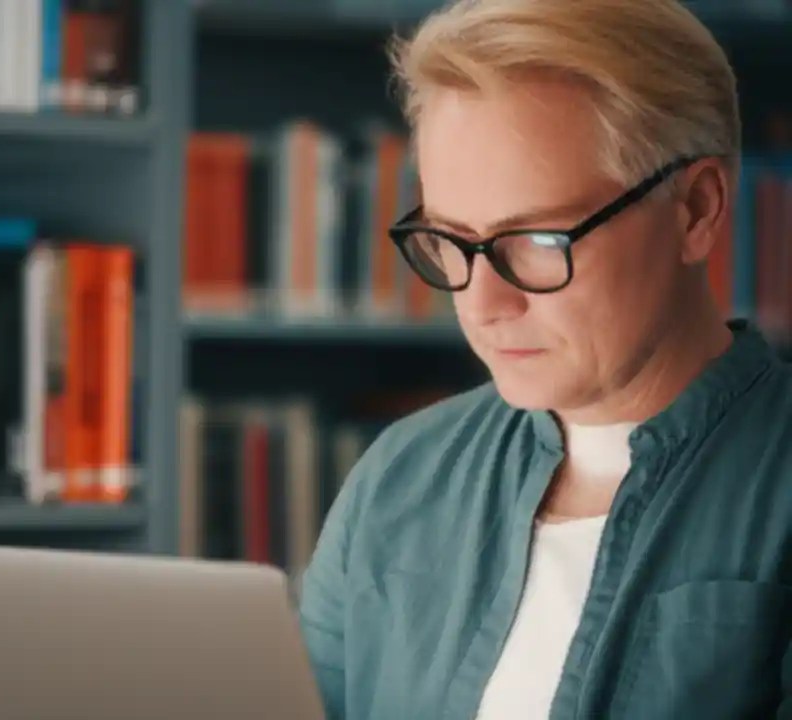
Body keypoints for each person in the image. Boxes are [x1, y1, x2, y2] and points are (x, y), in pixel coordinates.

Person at [297, 0, 792, 718]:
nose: (482, 303)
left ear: (696, 210)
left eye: (537, 241)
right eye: (450, 240)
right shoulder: (398, 480)